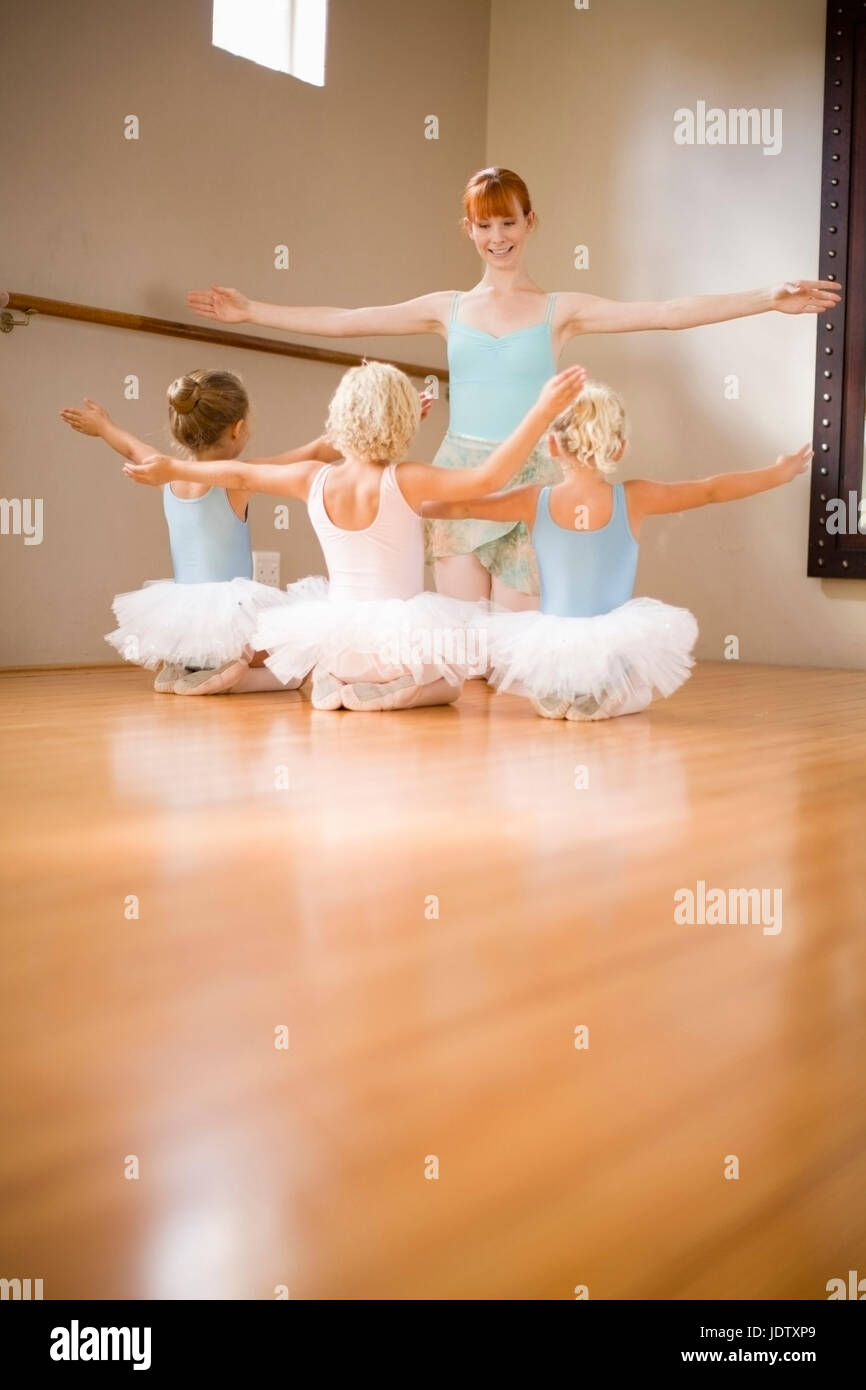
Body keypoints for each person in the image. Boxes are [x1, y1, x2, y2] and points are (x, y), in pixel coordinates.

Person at [186, 166, 839, 610]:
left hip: (531, 482)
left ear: (531, 223)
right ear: (466, 229)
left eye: (509, 223)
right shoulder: (446, 307)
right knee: (463, 635)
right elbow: (345, 320)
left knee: (517, 631)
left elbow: (666, 312)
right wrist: (255, 311)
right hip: (460, 475)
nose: (497, 237)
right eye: (484, 224)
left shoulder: (563, 308)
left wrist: (765, 299)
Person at [123, 362, 587, 710]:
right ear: (403, 423)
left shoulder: (311, 478)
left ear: (342, 419)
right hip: (395, 652)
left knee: (316, 663)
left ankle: (335, 683)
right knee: (452, 683)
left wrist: (174, 467)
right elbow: (489, 477)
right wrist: (542, 409)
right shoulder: (408, 480)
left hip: (338, 647)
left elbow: (239, 471)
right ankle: (385, 695)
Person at [424, 379, 813, 720]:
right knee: (634, 683)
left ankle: (561, 695)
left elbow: (465, 506)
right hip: (610, 648)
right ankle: (605, 695)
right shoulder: (635, 498)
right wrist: (779, 472)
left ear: (552, 446)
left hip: (553, 647)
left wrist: (406, 501)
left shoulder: (532, 500)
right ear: (621, 448)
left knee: (555, 684)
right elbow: (710, 489)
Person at [60, 369, 342, 694]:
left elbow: (130, 448)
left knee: (269, 646)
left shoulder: (164, 472)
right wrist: (368, 430)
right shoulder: (240, 475)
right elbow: (315, 453)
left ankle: (186, 668)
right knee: (300, 657)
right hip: (229, 618)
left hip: (182, 622)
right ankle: (228, 675)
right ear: (238, 429)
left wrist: (103, 426)